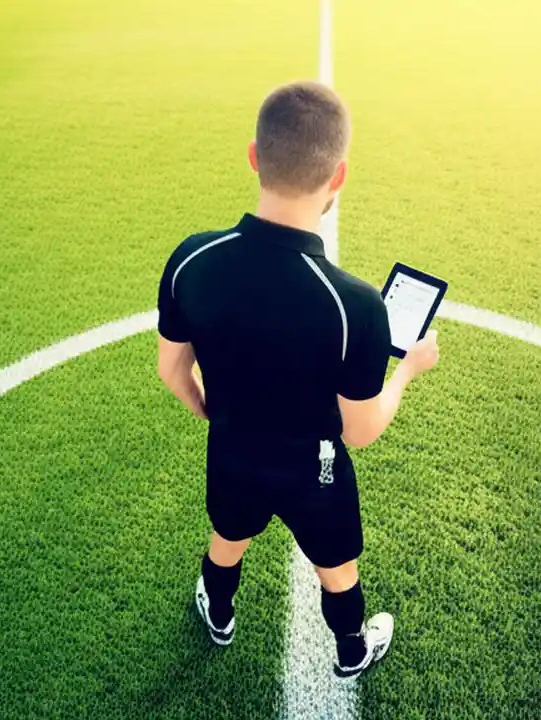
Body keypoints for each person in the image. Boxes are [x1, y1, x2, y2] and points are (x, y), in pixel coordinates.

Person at [155, 80, 440, 679]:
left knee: (228, 532)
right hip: (315, 467)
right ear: (338, 177)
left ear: (255, 156)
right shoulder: (356, 305)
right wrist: (408, 369)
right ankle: (350, 648)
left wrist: (211, 411)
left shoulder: (191, 259)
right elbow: (360, 430)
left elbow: (172, 370)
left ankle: (220, 611)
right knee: (336, 564)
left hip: (232, 447)